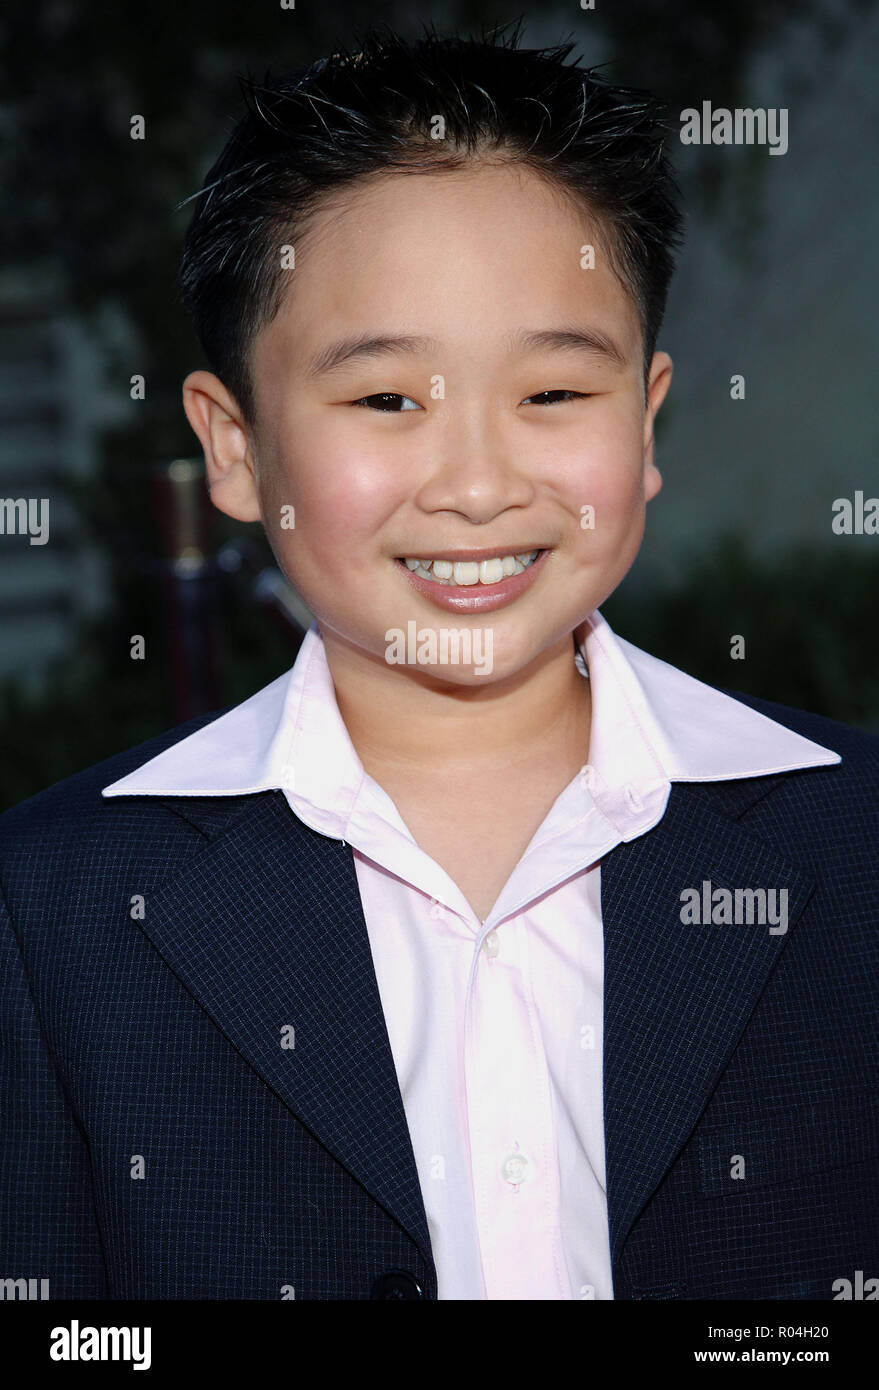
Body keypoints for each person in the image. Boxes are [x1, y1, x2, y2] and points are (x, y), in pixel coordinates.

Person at [2, 22, 877, 1302]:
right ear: (236, 448)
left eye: (556, 394)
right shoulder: (52, 912)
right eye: (386, 400)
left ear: (647, 417)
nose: (477, 485)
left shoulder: (853, 842)